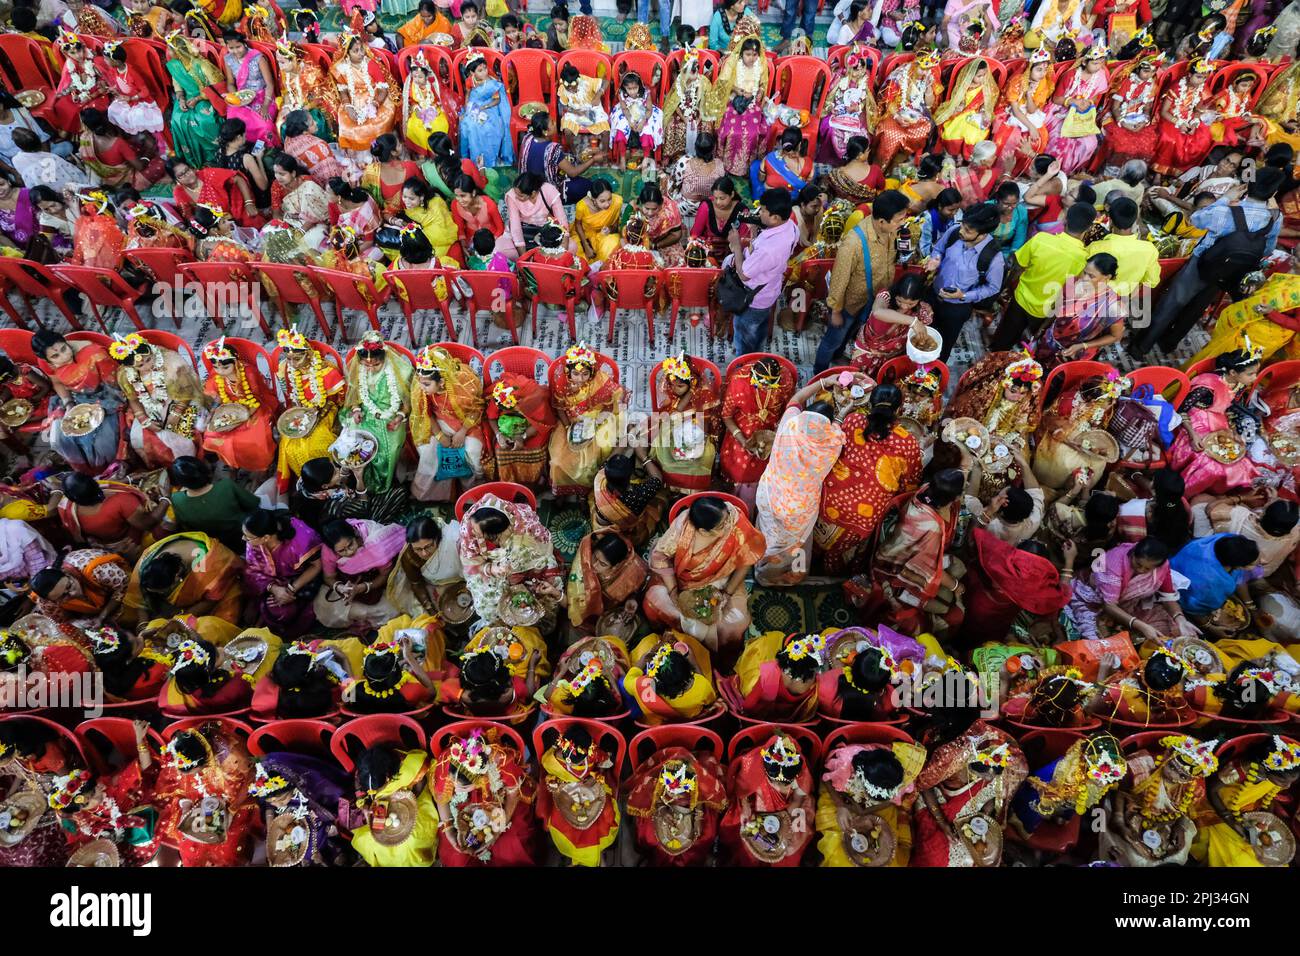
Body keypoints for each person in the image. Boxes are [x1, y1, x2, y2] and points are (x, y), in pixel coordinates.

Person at [1133, 169, 1284, 360]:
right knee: (1197, 307)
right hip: (1231, 270)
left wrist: (1224, 199)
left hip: (1202, 263)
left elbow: (1196, 219)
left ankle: (1141, 347)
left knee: (1173, 302)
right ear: (1273, 194)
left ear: (1247, 186)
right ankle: (1168, 343)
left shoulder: (1226, 210)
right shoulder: (1275, 218)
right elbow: (1267, 249)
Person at [644, 495, 765, 653]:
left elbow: (747, 558)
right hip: (681, 580)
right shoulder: (682, 529)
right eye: (722, 525)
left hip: (723, 578)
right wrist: (674, 592)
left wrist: (728, 592)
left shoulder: (735, 519)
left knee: (734, 623)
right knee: (654, 602)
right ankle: (682, 644)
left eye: (727, 518)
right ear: (703, 531)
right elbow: (661, 556)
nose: (729, 525)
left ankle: (714, 656)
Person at [868, 468, 967, 637]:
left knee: (959, 567)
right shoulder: (932, 527)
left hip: (901, 554)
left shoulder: (926, 490)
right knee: (950, 609)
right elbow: (931, 571)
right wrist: (957, 587)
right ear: (955, 498)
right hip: (894, 573)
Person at [819, 189, 909, 374]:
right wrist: (835, 311)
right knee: (833, 338)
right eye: (900, 219)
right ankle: (820, 371)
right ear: (882, 221)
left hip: (874, 301)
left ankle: (838, 355)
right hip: (849, 304)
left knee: (852, 333)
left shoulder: (893, 232)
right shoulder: (854, 243)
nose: (904, 222)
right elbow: (839, 279)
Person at [430, 725, 538, 866]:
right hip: (463, 803)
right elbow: (441, 797)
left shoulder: (501, 761)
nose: (455, 787)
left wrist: (499, 829)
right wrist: (449, 829)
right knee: (457, 856)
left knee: (511, 846)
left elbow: (513, 793)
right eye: (453, 782)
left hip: (500, 797)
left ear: (481, 778)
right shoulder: (448, 760)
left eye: (463, 786)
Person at [1168, 349, 1266, 497]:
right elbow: (1181, 410)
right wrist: (1193, 435)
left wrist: (1233, 431)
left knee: (1233, 456)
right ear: (1233, 373)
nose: (1255, 378)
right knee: (1210, 464)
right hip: (1195, 420)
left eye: (1255, 373)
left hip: (1218, 419)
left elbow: (1228, 407)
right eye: (1250, 374)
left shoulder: (1239, 384)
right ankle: (1185, 492)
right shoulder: (1206, 385)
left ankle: (1212, 491)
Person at [1192, 735, 1300, 867]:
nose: (1287, 786)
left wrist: (1266, 816)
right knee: (1239, 861)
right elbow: (1211, 790)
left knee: (1273, 858)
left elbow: (1267, 797)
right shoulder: (1240, 770)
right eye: (1284, 780)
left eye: (1291, 782)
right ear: (1266, 768)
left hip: (1247, 811)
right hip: (1215, 812)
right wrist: (1229, 818)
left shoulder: (1275, 775)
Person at [816, 737, 925, 867]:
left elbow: (892, 801)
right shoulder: (846, 763)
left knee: (887, 850)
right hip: (844, 795)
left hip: (878, 806)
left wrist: (866, 810)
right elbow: (825, 778)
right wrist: (841, 806)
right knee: (838, 847)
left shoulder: (898, 775)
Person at [458, 494, 562, 625]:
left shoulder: (523, 521)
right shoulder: (469, 531)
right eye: (494, 538)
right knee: (489, 607)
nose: (501, 542)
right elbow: (471, 561)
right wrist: (491, 569)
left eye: (504, 535)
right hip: (490, 569)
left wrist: (528, 570)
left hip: (525, 561)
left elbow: (542, 548)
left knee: (548, 586)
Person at [1068, 537, 1197, 641]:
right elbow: (1109, 605)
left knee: (1174, 629)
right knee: (1098, 643)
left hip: (1128, 604)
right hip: (1094, 601)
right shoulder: (1113, 562)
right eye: (1138, 564)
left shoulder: (1162, 567)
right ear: (1133, 554)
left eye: (1147, 569)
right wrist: (1141, 626)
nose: (1141, 570)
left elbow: (1167, 595)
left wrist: (1180, 619)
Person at [112, 332, 208, 469]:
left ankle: (190, 469)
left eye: (149, 359)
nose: (147, 366)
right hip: (148, 405)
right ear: (131, 367)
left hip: (179, 399)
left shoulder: (171, 363)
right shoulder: (125, 375)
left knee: (177, 439)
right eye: (140, 365)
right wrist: (143, 418)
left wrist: (176, 413)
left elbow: (187, 391)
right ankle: (163, 471)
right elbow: (132, 398)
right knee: (138, 438)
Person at [925, 202, 1004, 363]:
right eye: (963, 225)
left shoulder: (994, 258)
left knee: (944, 344)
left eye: (968, 230)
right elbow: (939, 249)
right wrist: (935, 260)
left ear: (982, 234)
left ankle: (934, 373)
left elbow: (993, 287)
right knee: (922, 333)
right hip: (933, 296)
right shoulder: (954, 232)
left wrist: (964, 295)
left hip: (957, 308)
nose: (962, 231)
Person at [625, 744, 729, 866]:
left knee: (650, 836)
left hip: (667, 789)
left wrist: (661, 811)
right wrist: (696, 819)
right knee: (705, 836)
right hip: (690, 790)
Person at [720, 732, 814, 866]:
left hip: (789, 810)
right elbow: (743, 791)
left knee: (791, 847)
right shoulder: (753, 764)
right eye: (774, 782)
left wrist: (784, 826)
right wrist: (746, 808)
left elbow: (798, 799)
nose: (778, 786)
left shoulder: (800, 771)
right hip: (758, 805)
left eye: (784, 783)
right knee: (748, 843)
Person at [725, 187, 799, 356]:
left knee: (745, 334)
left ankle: (744, 362)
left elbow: (743, 274)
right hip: (770, 289)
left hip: (753, 299)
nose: (760, 212)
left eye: (764, 210)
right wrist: (753, 231)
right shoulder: (792, 227)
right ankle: (756, 350)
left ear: (775, 217)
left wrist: (736, 245)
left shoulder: (769, 249)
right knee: (758, 329)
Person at [535, 724, 621, 866]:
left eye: (580, 761)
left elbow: (607, 762)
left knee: (601, 818)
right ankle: (576, 853)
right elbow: (548, 776)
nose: (577, 764)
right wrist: (554, 783)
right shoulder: (552, 760)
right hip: (565, 793)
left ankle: (594, 853)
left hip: (592, 788)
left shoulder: (593, 754)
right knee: (563, 821)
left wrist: (606, 761)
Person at [721, 356, 797, 509]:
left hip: (772, 428)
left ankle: (755, 502)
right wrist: (743, 440)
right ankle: (735, 502)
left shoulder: (785, 382)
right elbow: (726, 416)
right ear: (752, 376)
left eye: (771, 384)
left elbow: (789, 410)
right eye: (762, 384)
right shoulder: (738, 384)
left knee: (771, 468)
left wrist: (775, 434)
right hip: (741, 428)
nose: (766, 388)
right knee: (739, 468)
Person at [548, 343, 623, 496]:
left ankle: (584, 493)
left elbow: (608, 408)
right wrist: (569, 427)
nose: (580, 379)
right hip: (569, 420)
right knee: (557, 462)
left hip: (596, 421)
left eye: (585, 374)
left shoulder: (600, 382)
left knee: (589, 462)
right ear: (568, 372)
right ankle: (561, 491)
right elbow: (560, 408)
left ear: (592, 372)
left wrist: (595, 425)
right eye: (575, 373)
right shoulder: (562, 384)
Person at [125, 531, 244, 625]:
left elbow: (211, 600)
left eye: (164, 591)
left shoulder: (208, 564)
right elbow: (140, 596)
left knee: (222, 621)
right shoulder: (147, 562)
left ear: (177, 577)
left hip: (222, 589)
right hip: (181, 601)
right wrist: (142, 624)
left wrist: (180, 619)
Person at [1031, 253, 1126, 368]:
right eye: (1085, 272)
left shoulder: (1113, 304)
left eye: (1091, 276)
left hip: (1075, 356)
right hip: (1048, 343)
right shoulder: (1073, 283)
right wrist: (1042, 329)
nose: (1084, 278)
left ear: (1107, 277)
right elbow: (1056, 311)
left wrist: (1083, 346)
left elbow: (1115, 336)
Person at [199, 337, 277, 476]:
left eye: (225, 367)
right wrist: (213, 414)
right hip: (229, 407)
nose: (220, 371)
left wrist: (243, 416)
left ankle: (261, 466)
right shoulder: (216, 376)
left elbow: (256, 398)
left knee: (252, 438)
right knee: (212, 435)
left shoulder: (248, 373)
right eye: (216, 367)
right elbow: (213, 394)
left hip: (254, 406)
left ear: (235, 362)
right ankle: (232, 462)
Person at [703, 19, 771, 177]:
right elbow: (723, 82)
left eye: (755, 54)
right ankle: (726, 163)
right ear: (741, 53)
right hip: (733, 100)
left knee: (752, 132)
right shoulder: (733, 62)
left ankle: (746, 166)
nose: (752, 58)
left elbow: (763, 85)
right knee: (731, 130)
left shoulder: (761, 65)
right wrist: (738, 91)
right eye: (748, 54)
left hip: (752, 103)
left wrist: (757, 93)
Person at [242, 508, 323, 638]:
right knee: (271, 608)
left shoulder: (302, 540)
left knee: (282, 611)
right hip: (273, 582)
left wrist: (290, 590)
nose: (244, 539)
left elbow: (316, 566)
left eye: (248, 537)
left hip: (299, 579)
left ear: (266, 538)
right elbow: (252, 570)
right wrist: (273, 588)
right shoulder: (255, 541)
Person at [648, 353, 721, 494]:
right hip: (673, 430)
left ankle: (691, 491)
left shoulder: (703, 396)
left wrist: (694, 441)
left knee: (699, 460)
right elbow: (670, 415)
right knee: (666, 455)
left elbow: (704, 426)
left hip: (698, 433)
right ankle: (672, 489)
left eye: (680, 386)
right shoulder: (672, 394)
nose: (674, 389)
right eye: (672, 384)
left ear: (692, 383)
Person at [168, 455, 260, 554]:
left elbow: (186, 526)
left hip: (215, 547)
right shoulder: (226, 485)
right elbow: (253, 503)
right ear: (205, 469)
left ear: (180, 482)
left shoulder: (176, 499)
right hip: (243, 537)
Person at [332, 28, 400, 156]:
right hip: (353, 100)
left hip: (376, 97)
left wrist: (374, 104)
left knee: (377, 123)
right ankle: (360, 155)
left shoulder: (370, 64)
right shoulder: (340, 68)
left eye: (362, 49)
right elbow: (343, 90)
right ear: (347, 53)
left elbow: (383, 88)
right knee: (346, 123)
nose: (361, 53)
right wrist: (348, 106)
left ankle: (379, 151)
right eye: (356, 51)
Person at [874, 50, 940, 172]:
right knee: (893, 135)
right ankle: (879, 169)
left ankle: (896, 164)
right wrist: (897, 117)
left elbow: (930, 105)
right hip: (894, 113)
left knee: (924, 129)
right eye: (923, 69)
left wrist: (929, 88)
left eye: (929, 69)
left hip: (916, 115)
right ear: (915, 64)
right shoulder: (900, 76)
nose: (926, 73)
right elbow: (888, 101)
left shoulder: (929, 78)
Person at [589, 452, 666, 547]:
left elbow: (608, 462)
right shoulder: (637, 495)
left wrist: (624, 441)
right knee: (662, 495)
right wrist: (644, 457)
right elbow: (657, 479)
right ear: (629, 476)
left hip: (605, 526)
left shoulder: (599, 480)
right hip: (631, 532)